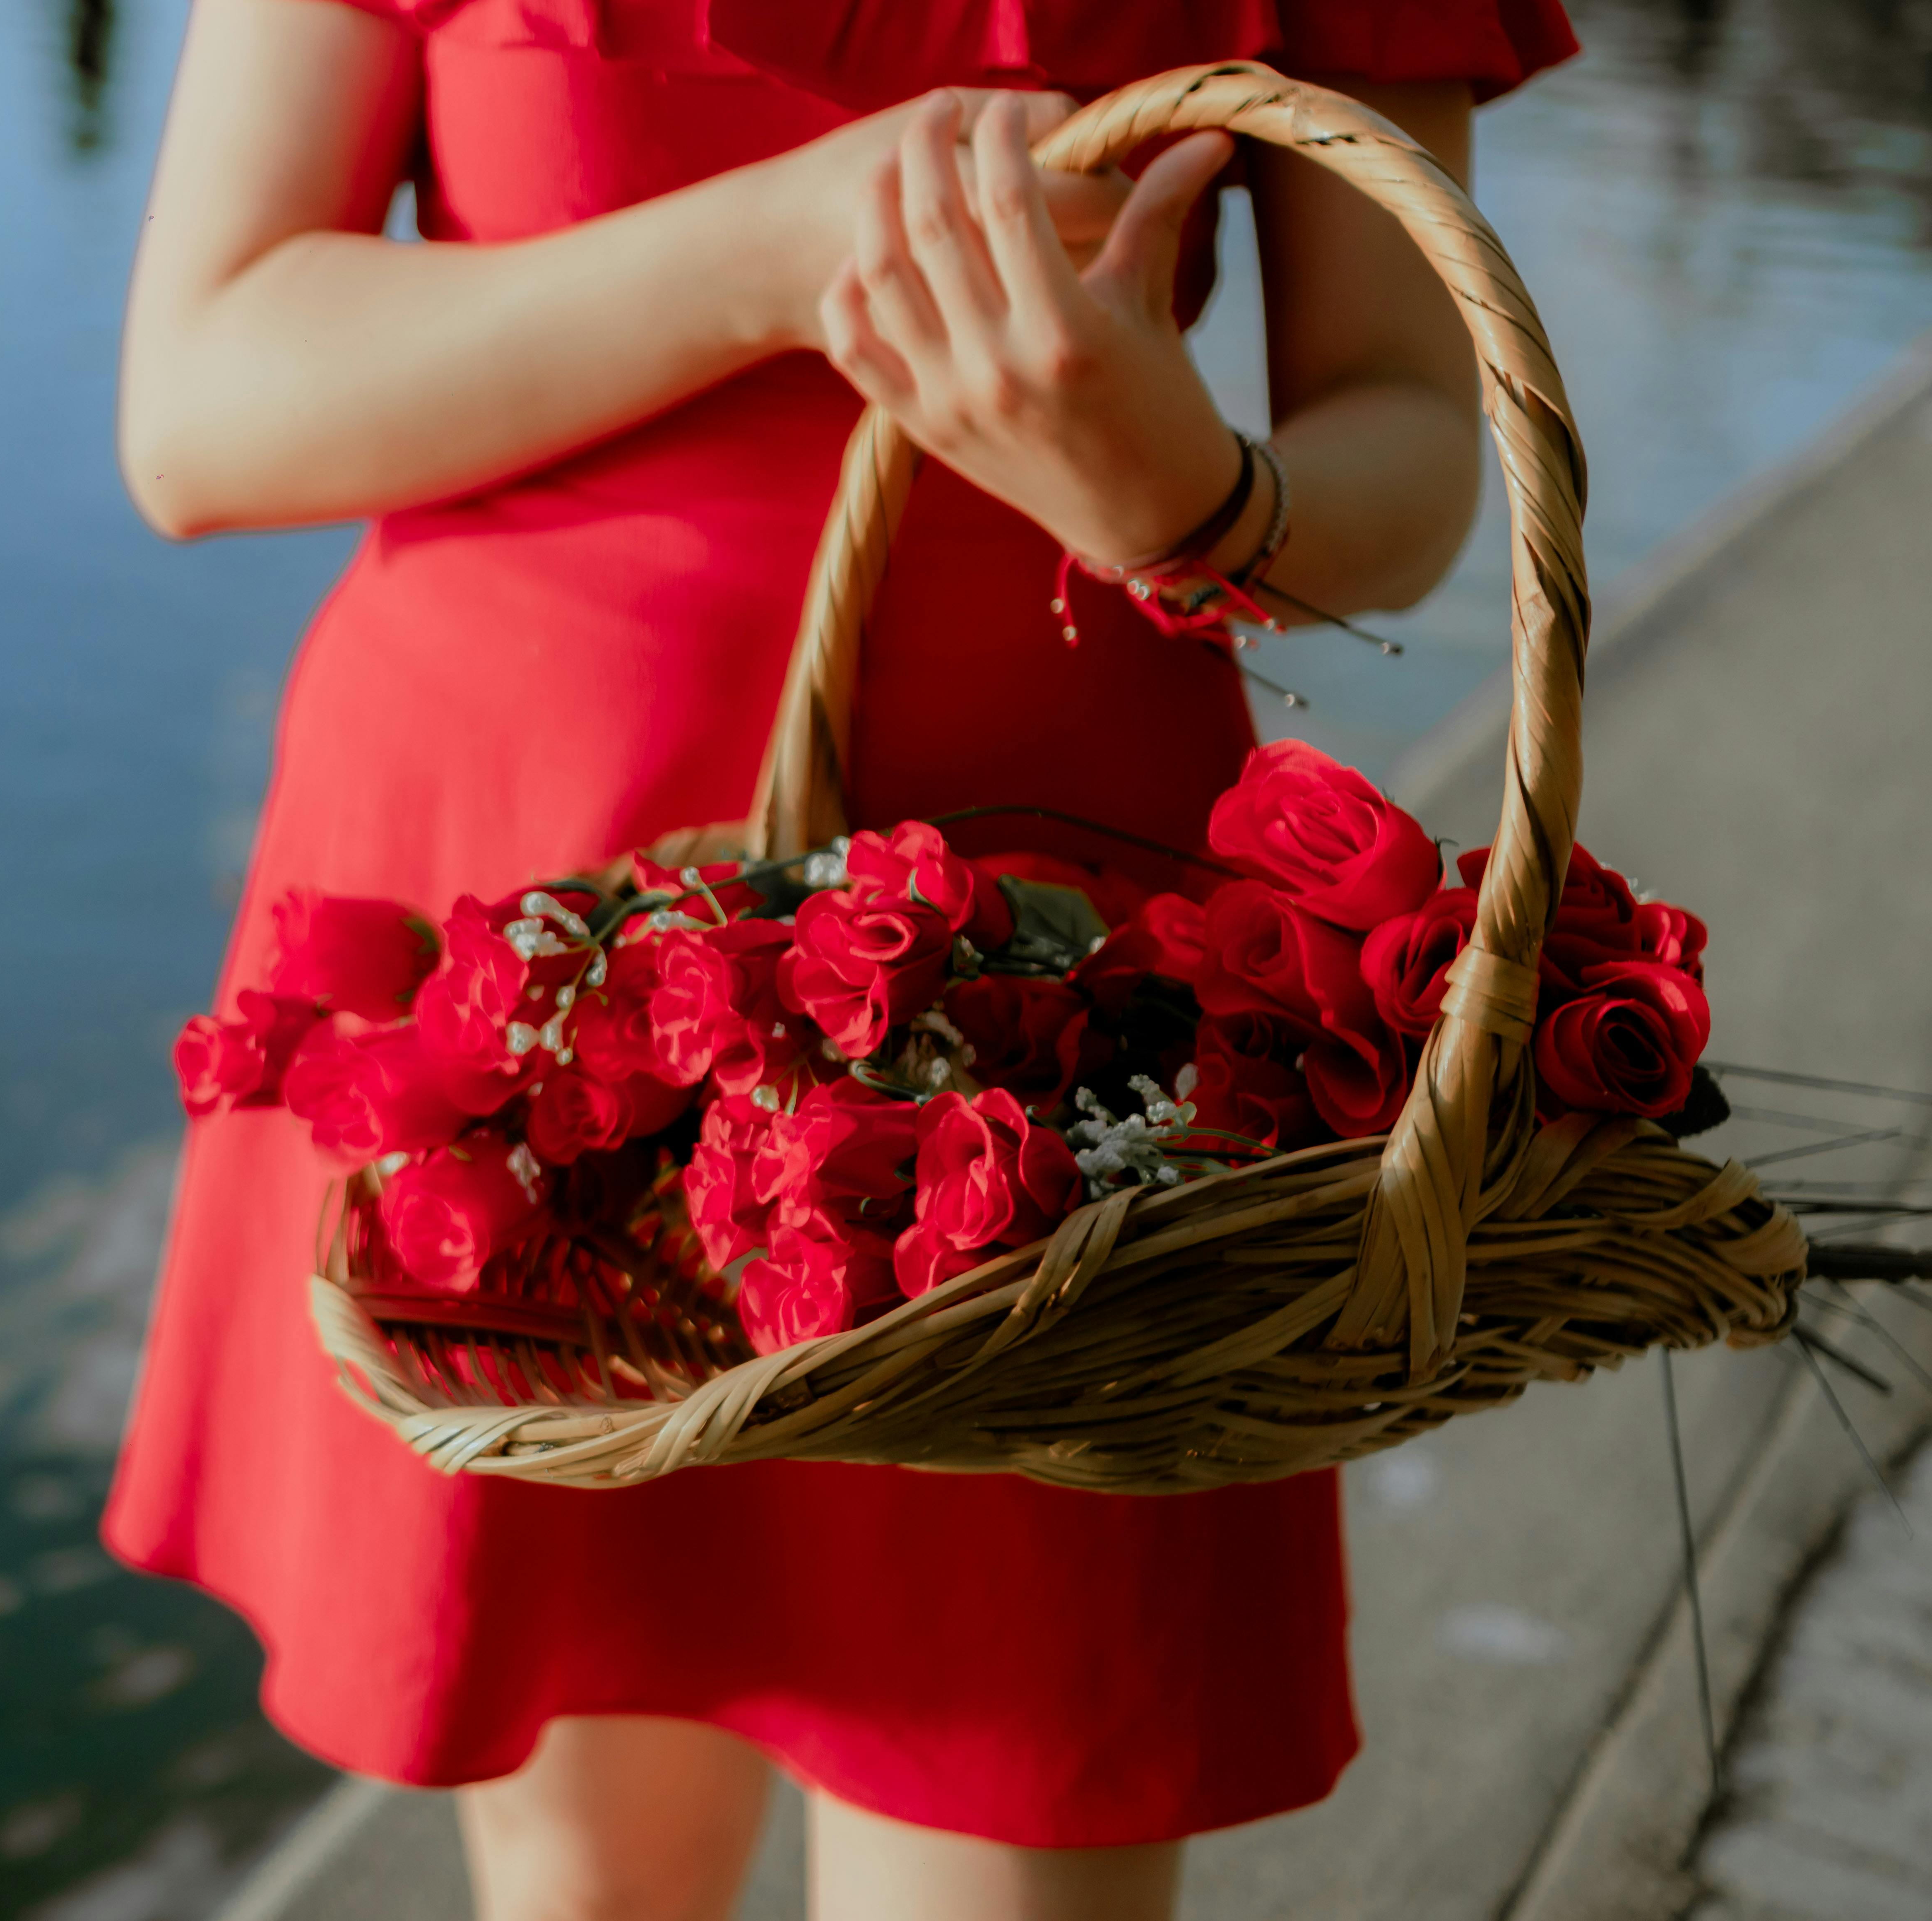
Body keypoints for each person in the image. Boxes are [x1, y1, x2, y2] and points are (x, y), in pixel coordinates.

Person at [105, 4, 1575, 1917]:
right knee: (579, 1867)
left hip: (1042, 1012)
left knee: (1014, 1810)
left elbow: (1404, 439)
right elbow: (198, 403)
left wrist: (1195, 495)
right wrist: (775, 251)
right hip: (518, 948)